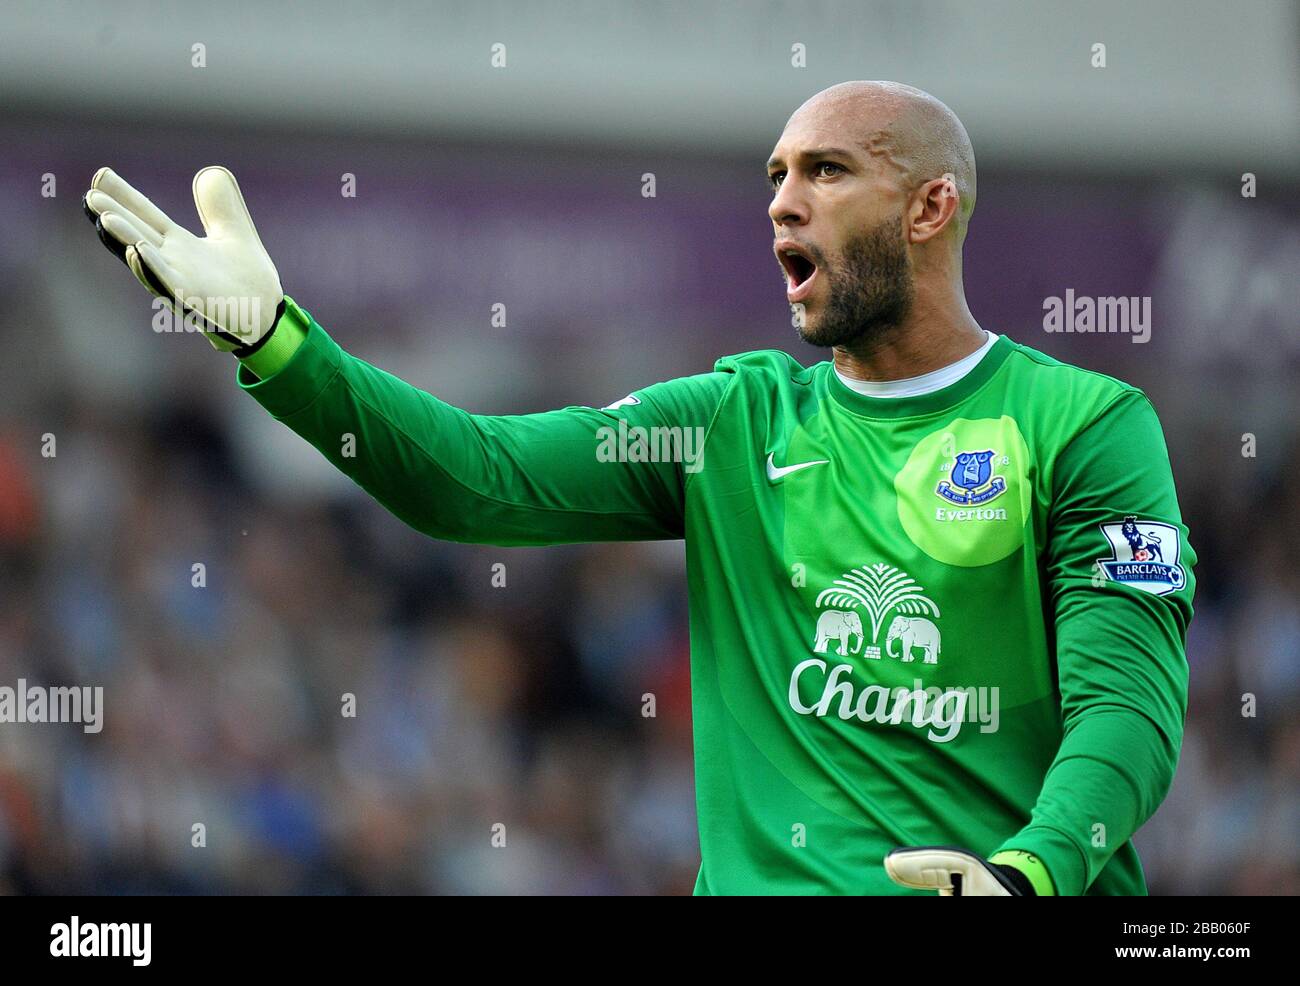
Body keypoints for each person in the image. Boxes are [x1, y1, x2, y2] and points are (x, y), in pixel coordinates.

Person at [83, 81, 1196, 895]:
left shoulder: (1082, 425)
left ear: (929, 207)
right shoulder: (733, 421)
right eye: (774, 177)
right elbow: (477, 477)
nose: (783, 203)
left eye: (827, 170)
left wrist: (1026, 874)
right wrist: (282, 345)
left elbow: (1128, 710)